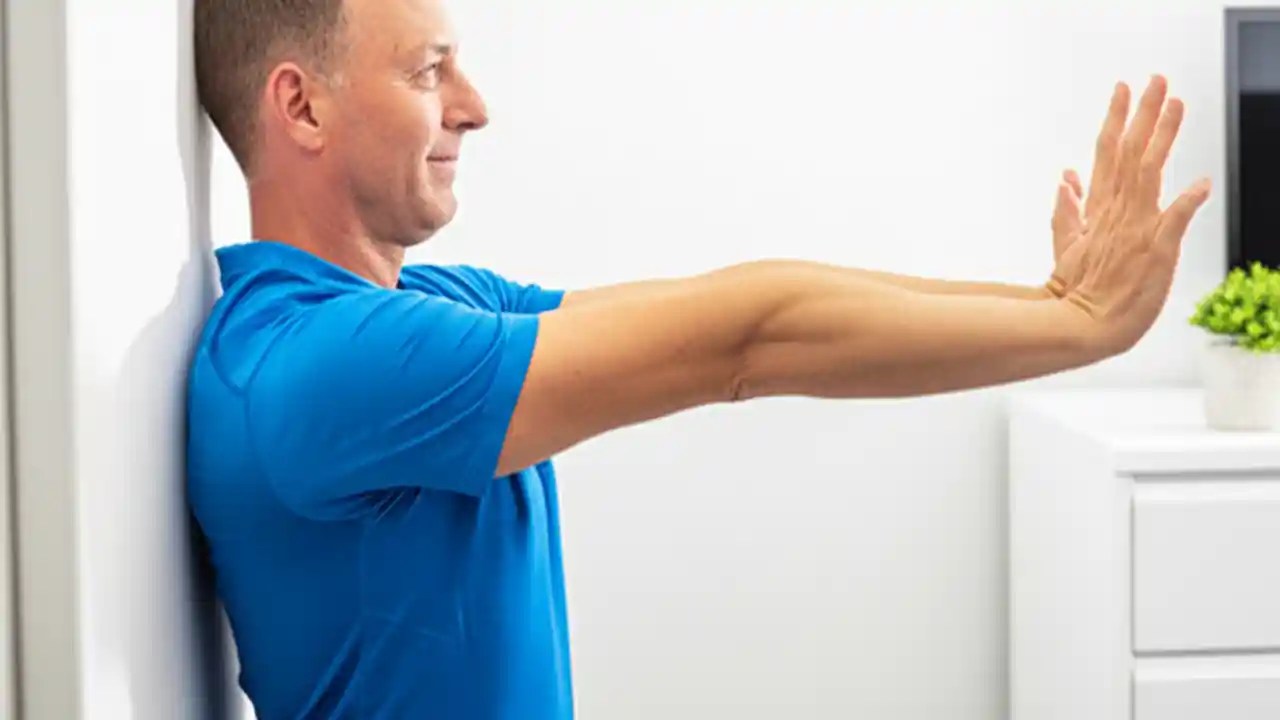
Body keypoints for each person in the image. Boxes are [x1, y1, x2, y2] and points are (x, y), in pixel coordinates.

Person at [188, 0, 1211, 718]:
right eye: (428, 69)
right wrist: (1082, 325)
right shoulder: (324, 366)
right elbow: (741, 340)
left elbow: (721, 315)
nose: (474, 104)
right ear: (303, 106)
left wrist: (1050, 305)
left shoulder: (417, 309)